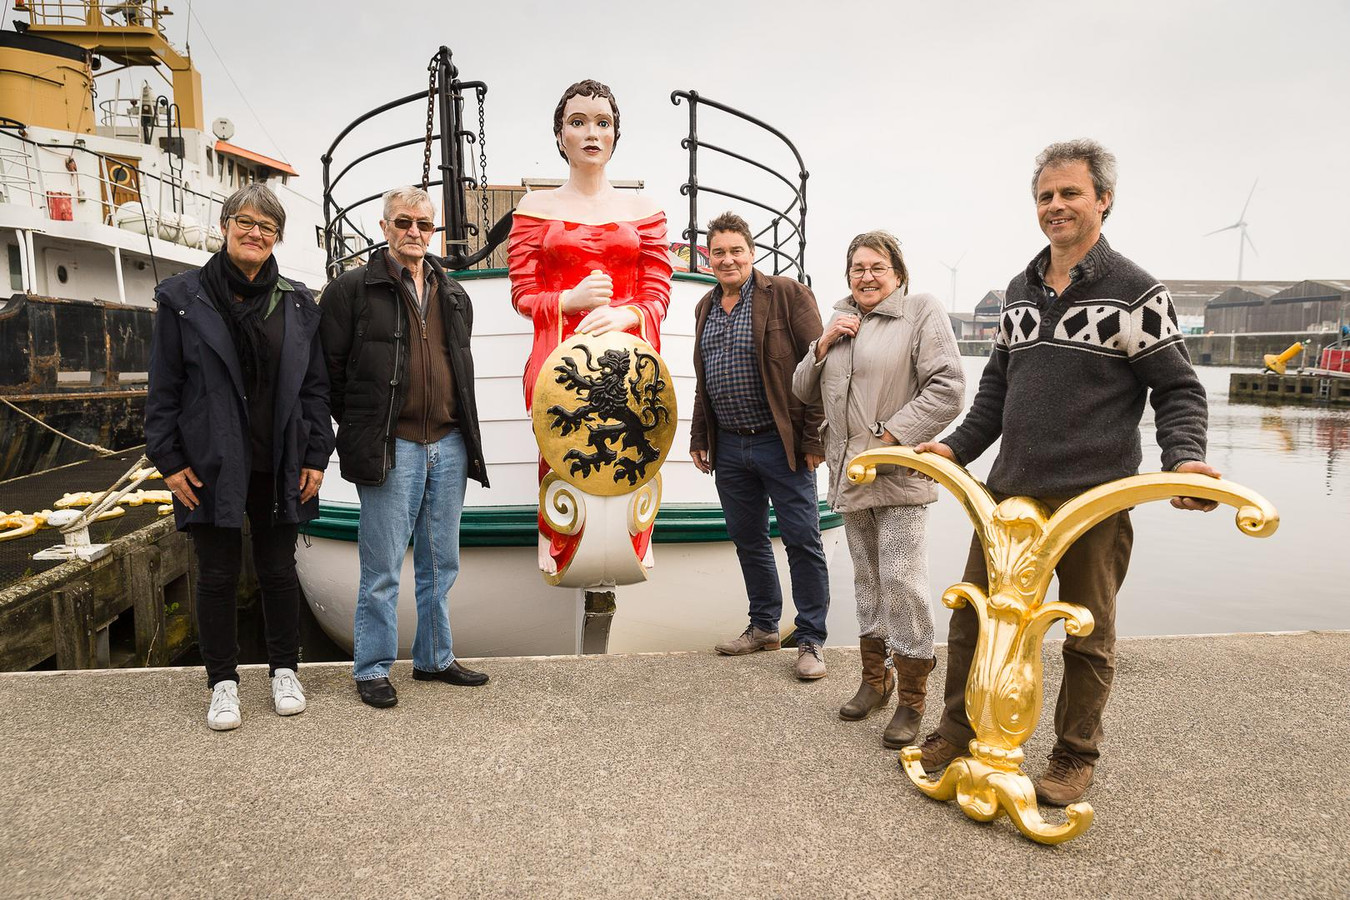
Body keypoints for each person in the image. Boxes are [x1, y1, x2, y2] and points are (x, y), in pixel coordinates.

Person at [912, 139, 1220, 805]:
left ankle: (1073, 758)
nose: (1056, 206)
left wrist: (1184, 459)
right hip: (1009, 498)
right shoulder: (1018, 292)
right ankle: (956, 730)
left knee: (1087, 635)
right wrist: (956, 449)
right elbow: (995, 391)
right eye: (1046, 196)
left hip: (1094, 501)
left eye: (1070, 193)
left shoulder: (1137, 293)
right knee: (974, 621)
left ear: (1103, 200)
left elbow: (1179, 390)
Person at [145, 183, 334, 731]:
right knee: (217, 574)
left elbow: (314, 390)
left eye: (267, 227)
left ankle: (284, 670)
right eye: (246, 223)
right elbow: (164, 387)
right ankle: (223, 682)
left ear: (278, 237)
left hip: (280, 459)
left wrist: (316, 455)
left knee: (279, 570)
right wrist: (169, 460)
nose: (255, 234)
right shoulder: (182, 298)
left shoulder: (298, 303)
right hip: (208, 461)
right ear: (226, 225)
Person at [320, 186, 490, 709]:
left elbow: (458, 367)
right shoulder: (351, 289)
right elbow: (329, 371)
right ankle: (371, 667)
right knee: (383, 568)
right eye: (402, 222)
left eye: (422, 223)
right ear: (384, 226)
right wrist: (364, 427)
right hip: (393, 447)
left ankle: (435, 658)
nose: (413, 232)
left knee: (442, 562)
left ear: (433, 230)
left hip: (448, 442)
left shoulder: (453, 293)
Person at [792, 231, 964, 743]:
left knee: (903, 583)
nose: (866, 277)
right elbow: (802, 389)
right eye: (857, 268)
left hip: (898, 475)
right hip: (849, 475)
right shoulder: (839, 319)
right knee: (866, 579)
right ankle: (875, 679)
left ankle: (913, 699)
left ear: (898, 272)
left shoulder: (920, 312)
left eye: (876, 267)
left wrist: (890, 439)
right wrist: (821, 346)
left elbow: (949, 387)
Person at [507, 79, 672, 575]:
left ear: (616, 135)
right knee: (568, 454)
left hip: (629, 363)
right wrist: (569, 300)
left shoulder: (644, 212)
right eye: (578, 122)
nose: (591, 132)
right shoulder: (535, 209)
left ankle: (627, 553)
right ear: (561, 136)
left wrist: (627, 314)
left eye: (602, 122)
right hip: (561, 361)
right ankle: (564, 553)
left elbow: (658, 291)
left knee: (631, 451)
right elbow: (522, 294)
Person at [690, 212, 832, 680]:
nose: (727, 259)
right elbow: (703, 380)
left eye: (736, 250)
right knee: (748, 540)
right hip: (729, 447)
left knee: (802, 540)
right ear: (708, 258)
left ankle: (810, 638)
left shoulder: (787, 295)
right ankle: (764, 626)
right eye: (718, 252)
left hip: (781, 443)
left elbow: (821, 367)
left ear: (752, 253)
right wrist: (700, 437)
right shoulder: (705, 307)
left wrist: (813, 438)